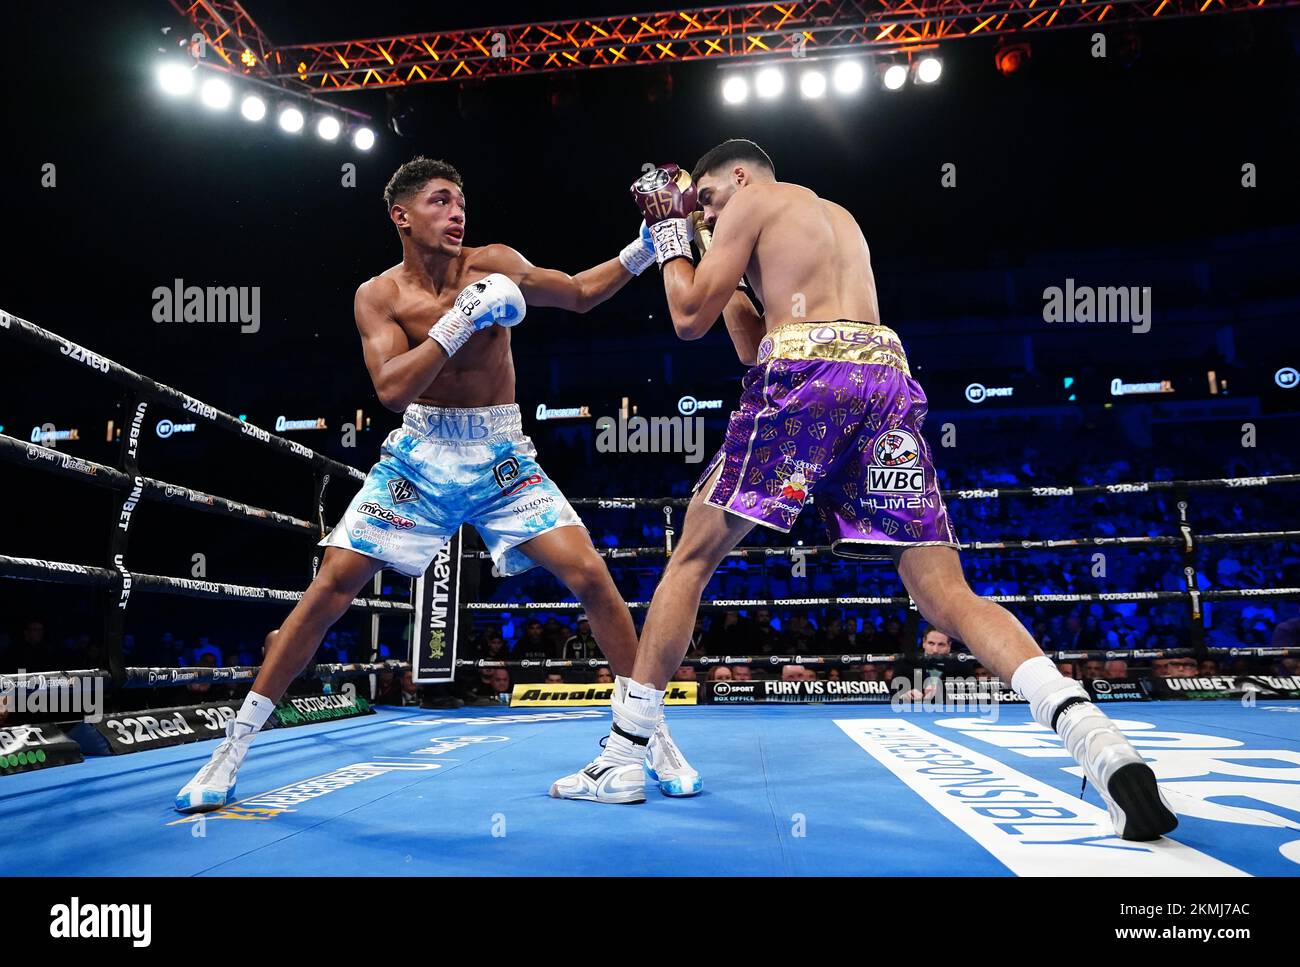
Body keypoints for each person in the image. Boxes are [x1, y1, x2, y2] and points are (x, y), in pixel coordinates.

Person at [552, 141, 1177, 840]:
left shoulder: (753, 198)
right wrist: (714, 259)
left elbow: (687, 318)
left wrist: (674, 241)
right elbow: (748, 345)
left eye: (707, 199)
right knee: (944, 592)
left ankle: (625, 755)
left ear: (737, 175)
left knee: (693, 556)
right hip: (883, 379)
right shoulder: (835, 217)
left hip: (809, 374)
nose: (706, 212)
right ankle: (1089, 731)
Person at [176, 157, 699, 812]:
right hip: (420, 454)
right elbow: (393, 389)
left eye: (460, 201)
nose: (457, 213)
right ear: (401, 215)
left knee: (591, 575)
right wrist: (461, 322)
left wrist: (647, 247)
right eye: (439, 201)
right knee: (331, 586)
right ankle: (231, 749)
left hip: (502, 452)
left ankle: (652, 739)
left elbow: (578, 291)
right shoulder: (379, 295)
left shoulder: (494, 261)